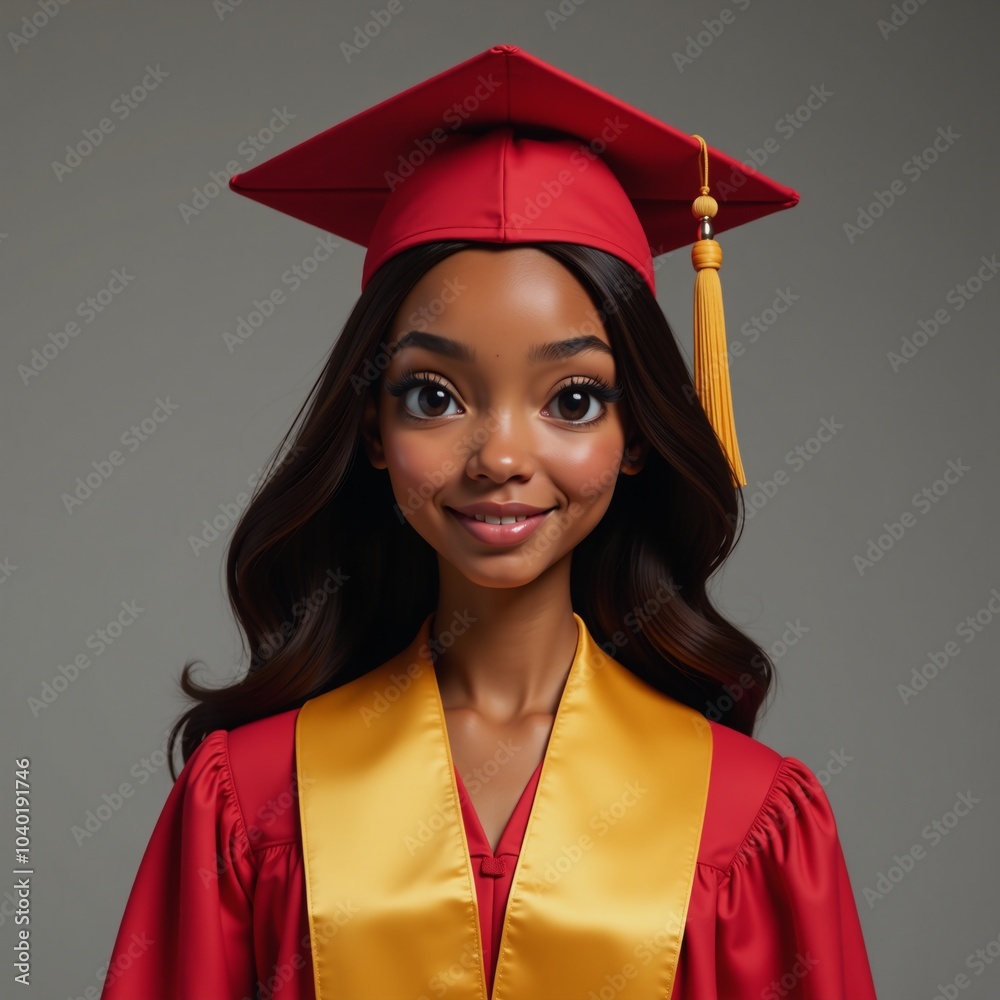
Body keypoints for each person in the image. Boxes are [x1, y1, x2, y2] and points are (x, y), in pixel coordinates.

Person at [100, 43, 878, 1000]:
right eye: (434, 395)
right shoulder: (248, 804)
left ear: (639, 436)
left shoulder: (749, 819)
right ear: (374, 429)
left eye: (575, 399)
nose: (502, 458)